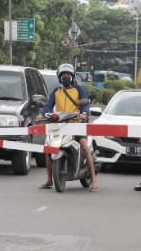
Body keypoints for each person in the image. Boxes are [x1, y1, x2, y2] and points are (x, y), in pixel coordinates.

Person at [39, 63, 98, 192]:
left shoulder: (79, 89)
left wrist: (84, 113)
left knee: (84, 145)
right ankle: (49, 179)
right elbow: (48, 106)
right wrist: (41, 114)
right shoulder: (56, 91)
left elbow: (85, 103)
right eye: (63, 75)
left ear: (73, 76)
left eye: (68, 75)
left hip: (77, 124)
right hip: (59, 125)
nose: (66, 77)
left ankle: (94, 180)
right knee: (49, 148)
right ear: (60, 77)